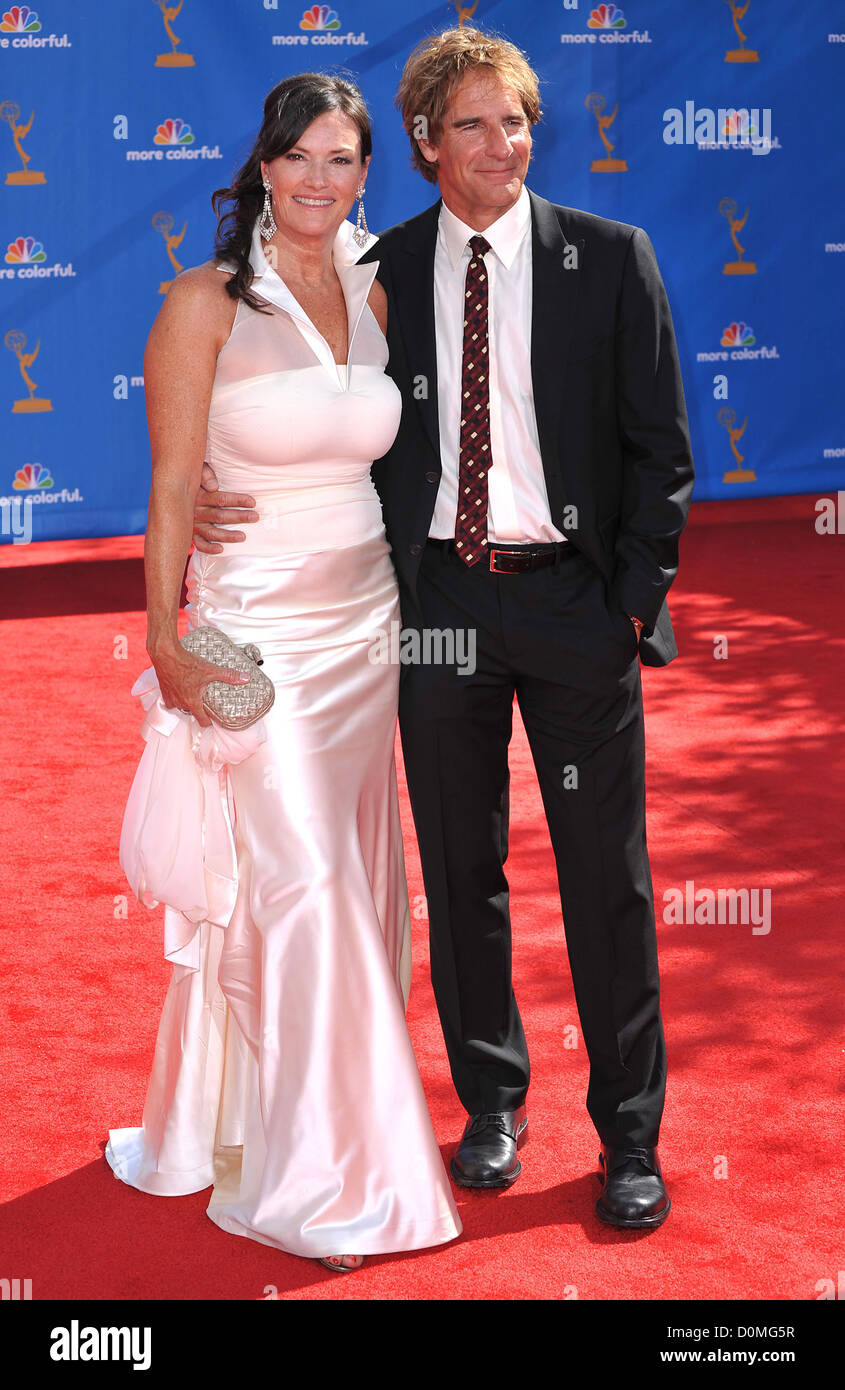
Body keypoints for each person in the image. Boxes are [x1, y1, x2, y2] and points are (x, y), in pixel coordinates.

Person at [194, 28, 695, 1230]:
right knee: (462, 872)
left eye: (513, 120)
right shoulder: (385, 268)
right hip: (440, 616)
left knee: (604, 877)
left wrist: (629, 598)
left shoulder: (610, 259)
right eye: (468, 125)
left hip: (574, 607)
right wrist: (210, 479)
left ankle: (628, 1132)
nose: (498, 145)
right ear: (422, 146)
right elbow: (299, 383)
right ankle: (491, 1103)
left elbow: (659, 452)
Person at [105, 72, 462, 1274]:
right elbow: (167, 487)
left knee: (344, 882)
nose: (320, 180)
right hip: (254, 636)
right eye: (300, 157)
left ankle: (268, 1122)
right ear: (264, 165)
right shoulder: (202, 302)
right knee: (303, 883)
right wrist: (166, 638)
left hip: (368, 623)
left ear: (369, 172)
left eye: (342, 160)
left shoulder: (379, 288)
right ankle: (325, 1178)